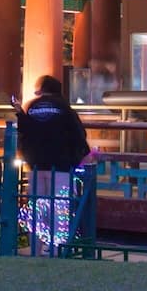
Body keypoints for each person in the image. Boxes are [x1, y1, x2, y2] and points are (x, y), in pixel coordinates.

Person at [14, 76, 93, 255]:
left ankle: (35, 248)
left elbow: (24, 131)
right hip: (61, 166)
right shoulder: (65, 108)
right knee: (59, 208)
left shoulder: (32, 107)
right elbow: (78, 134)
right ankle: (57, 249)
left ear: (42, 89)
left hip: (35, 165)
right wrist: (84, 155)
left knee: (36, 208)